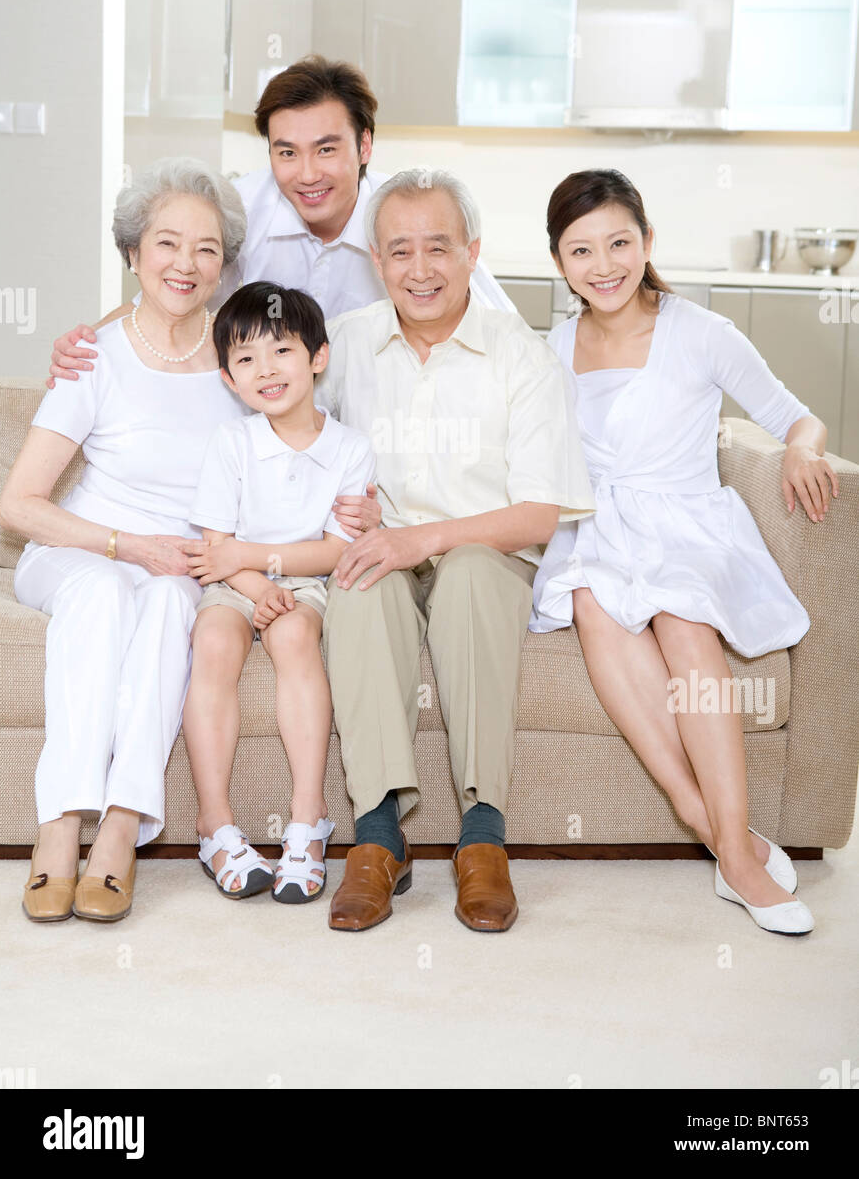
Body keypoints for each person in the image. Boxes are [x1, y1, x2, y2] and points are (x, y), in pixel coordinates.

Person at [529, 167, 838, 936]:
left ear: (647, 242)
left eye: (618, 243)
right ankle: (723, 838)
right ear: (558, 261)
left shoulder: (701, 332)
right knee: (594, 603)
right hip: (598, 525)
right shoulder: (553, 346)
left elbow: (797, 418)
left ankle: (730, 847)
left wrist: (803, 451)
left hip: (688, 524)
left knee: (684, 622)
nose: (603, 266)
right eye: (581, 250)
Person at [316, 168, 595, 933]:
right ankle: (378, 839)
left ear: (473, 252)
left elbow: (538, 514)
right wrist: (104, 340)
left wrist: (426, 538)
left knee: (469, 572)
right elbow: (238, 368)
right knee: (360, 578)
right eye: (400, 250)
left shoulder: (522, 354)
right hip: (388, 552)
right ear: (376, 260)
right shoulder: (341, 346)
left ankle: (482, 839)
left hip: (488, 553)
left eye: (438, 248)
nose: (420, 269)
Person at [0, 158, 250, 922]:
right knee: (108, 590)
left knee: (177, 602)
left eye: (207, 248)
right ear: (135, 253)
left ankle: (118, 828)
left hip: (174, 567)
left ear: (223, 265)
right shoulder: (94, 356)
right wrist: (126, 544)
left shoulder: (243, 366)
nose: (186, 263)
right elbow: (20, 505)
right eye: (167, 243)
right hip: (79, 550)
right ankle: (59, 824)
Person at [46, 56, 515, 385]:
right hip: (258, 416)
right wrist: (89, 341)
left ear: (365, 145)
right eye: (286, 152)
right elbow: (165, 295)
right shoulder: (238, 209)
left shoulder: (407, 215)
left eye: (327, 149)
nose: (307, 174)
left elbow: (498, 326)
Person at [179, 282, 377, 903]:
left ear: (318, 356)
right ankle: (215, 823)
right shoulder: (232, 443)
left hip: (303, 581)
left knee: (294, 636)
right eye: (245, 360)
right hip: (235, 579)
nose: (265, 370)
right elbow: (216, 544)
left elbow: (335, 549)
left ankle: (306, 820)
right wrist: (252, 580)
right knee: (212, 639)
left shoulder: (350, 448)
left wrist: (263, 566)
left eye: (281, 351)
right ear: (227, 378)